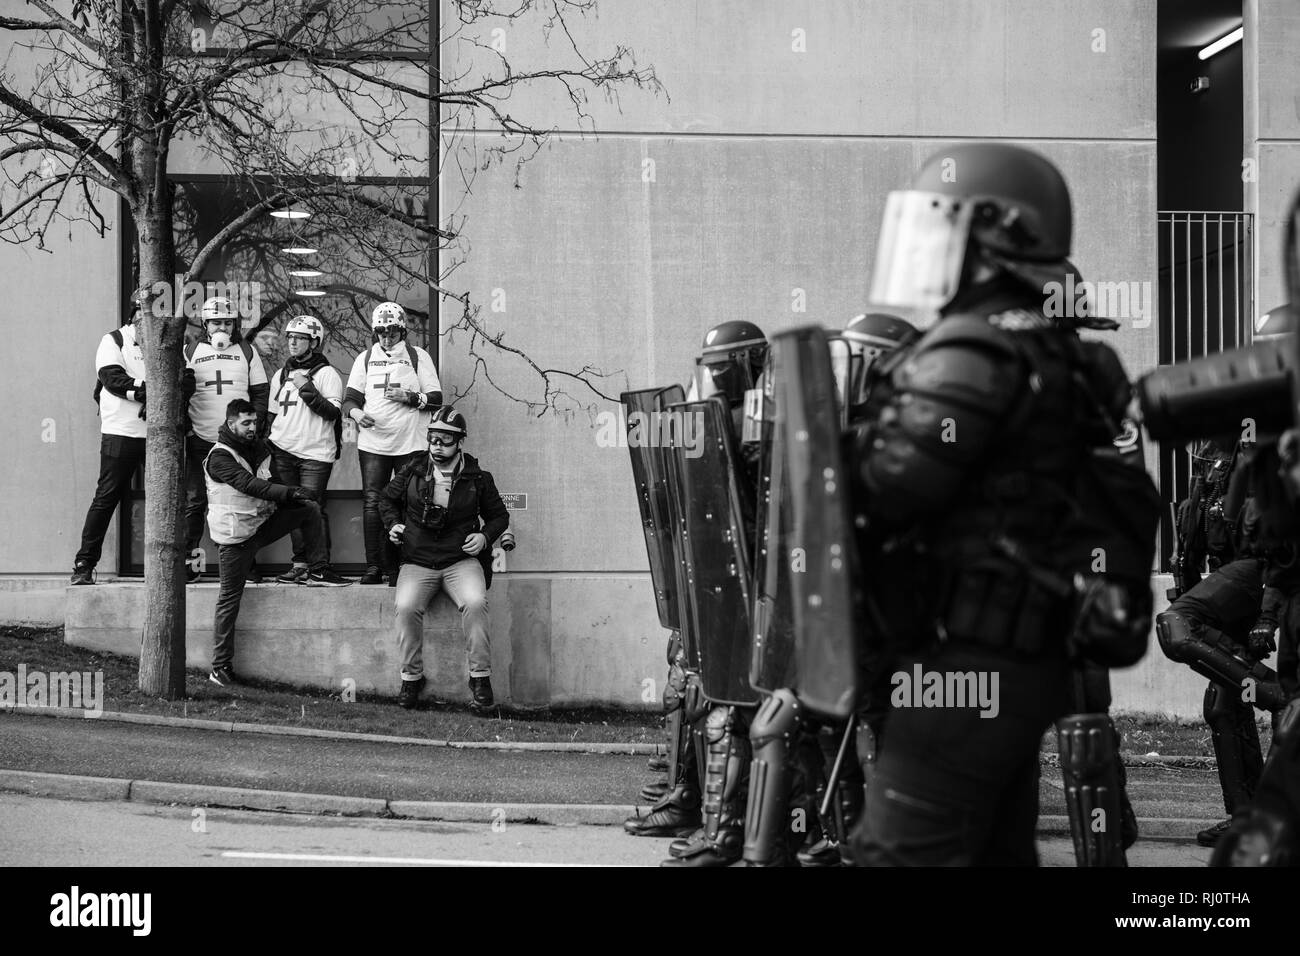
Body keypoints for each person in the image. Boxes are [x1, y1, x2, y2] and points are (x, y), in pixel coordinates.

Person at [849, 143, 1141, 865]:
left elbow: (892, 487)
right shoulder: (1062, 353)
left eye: (938, 225)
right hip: (1021, 658)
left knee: (898, 855)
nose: (922, 247)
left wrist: (830, 447)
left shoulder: (973, 348)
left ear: (994, 236)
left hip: (962, 663)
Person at [206, 399, 351, 687]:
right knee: (229, 599)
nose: (252, 427)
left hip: (260, 525)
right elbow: (247, 484)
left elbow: (269, 479)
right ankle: (219, 667)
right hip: (235, 539)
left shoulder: (258, 448)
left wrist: (294, 495)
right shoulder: (219, 457)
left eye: (254, 422)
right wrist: (289, 492)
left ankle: (318, 569)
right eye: (245, 423)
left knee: (309, 509)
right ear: (231, 422)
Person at [380, 406, 509, 710]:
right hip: (417, 560)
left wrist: (484, 537)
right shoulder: (412, 470)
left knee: (475, 603)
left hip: (459, 561)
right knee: (406, 606)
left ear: (459, 442)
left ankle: (479, 678)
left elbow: (499, 516)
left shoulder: (478, 478)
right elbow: (385, 498)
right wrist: (393, 524)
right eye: (433, 438)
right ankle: (411, 678)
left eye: (445, 440)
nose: (437, 445)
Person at [343, 302, 443, 585]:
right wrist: (356, 413)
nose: (386, 338)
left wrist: (410, 397)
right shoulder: (365, 358)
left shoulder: (416, 356)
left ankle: (401, 566)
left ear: (402, 330)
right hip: (374, 443)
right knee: (373, 502)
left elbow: (436, 397)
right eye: (381, 333)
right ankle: (374, 565)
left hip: (409, 441)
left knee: (407, 502)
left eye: (392, 332)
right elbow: (350, 398)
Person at [183, 296, 269, 583]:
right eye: (217, 322)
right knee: (196, 502)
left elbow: (259, 393)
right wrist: (187, 428)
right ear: (206, 325)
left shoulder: (247, 351)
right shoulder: (190, 350)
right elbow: (180, 393)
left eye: (228, 322)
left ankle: (245, 564)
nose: (222, 327)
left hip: (237, 445)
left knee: (243, 501)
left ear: (235, 325)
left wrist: (252, 429)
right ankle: (189, 563)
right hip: (201, 439)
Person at [266, 315, 347, 583]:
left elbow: (333, 413)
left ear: (314, 342)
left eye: (299, 338)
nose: (292, 342)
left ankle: (320, 567)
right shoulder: (280, 374)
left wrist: (306, 388)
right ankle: (300, 564)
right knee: (293, 510)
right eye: (289, 337)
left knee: (312, 508)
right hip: (283, 451)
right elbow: (272, 416)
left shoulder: (327, 374)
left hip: (314, 453)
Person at [72, 303, 148, 584]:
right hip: (121, 432)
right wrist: (147, 392)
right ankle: (84, 563)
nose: (147, 325)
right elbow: (111, 378)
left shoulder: (167, 343)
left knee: (168, 501)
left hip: (159, 436)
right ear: (133, 318)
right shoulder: (114, 340)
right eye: (142, 318)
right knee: (107, 498)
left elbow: (186, 379)